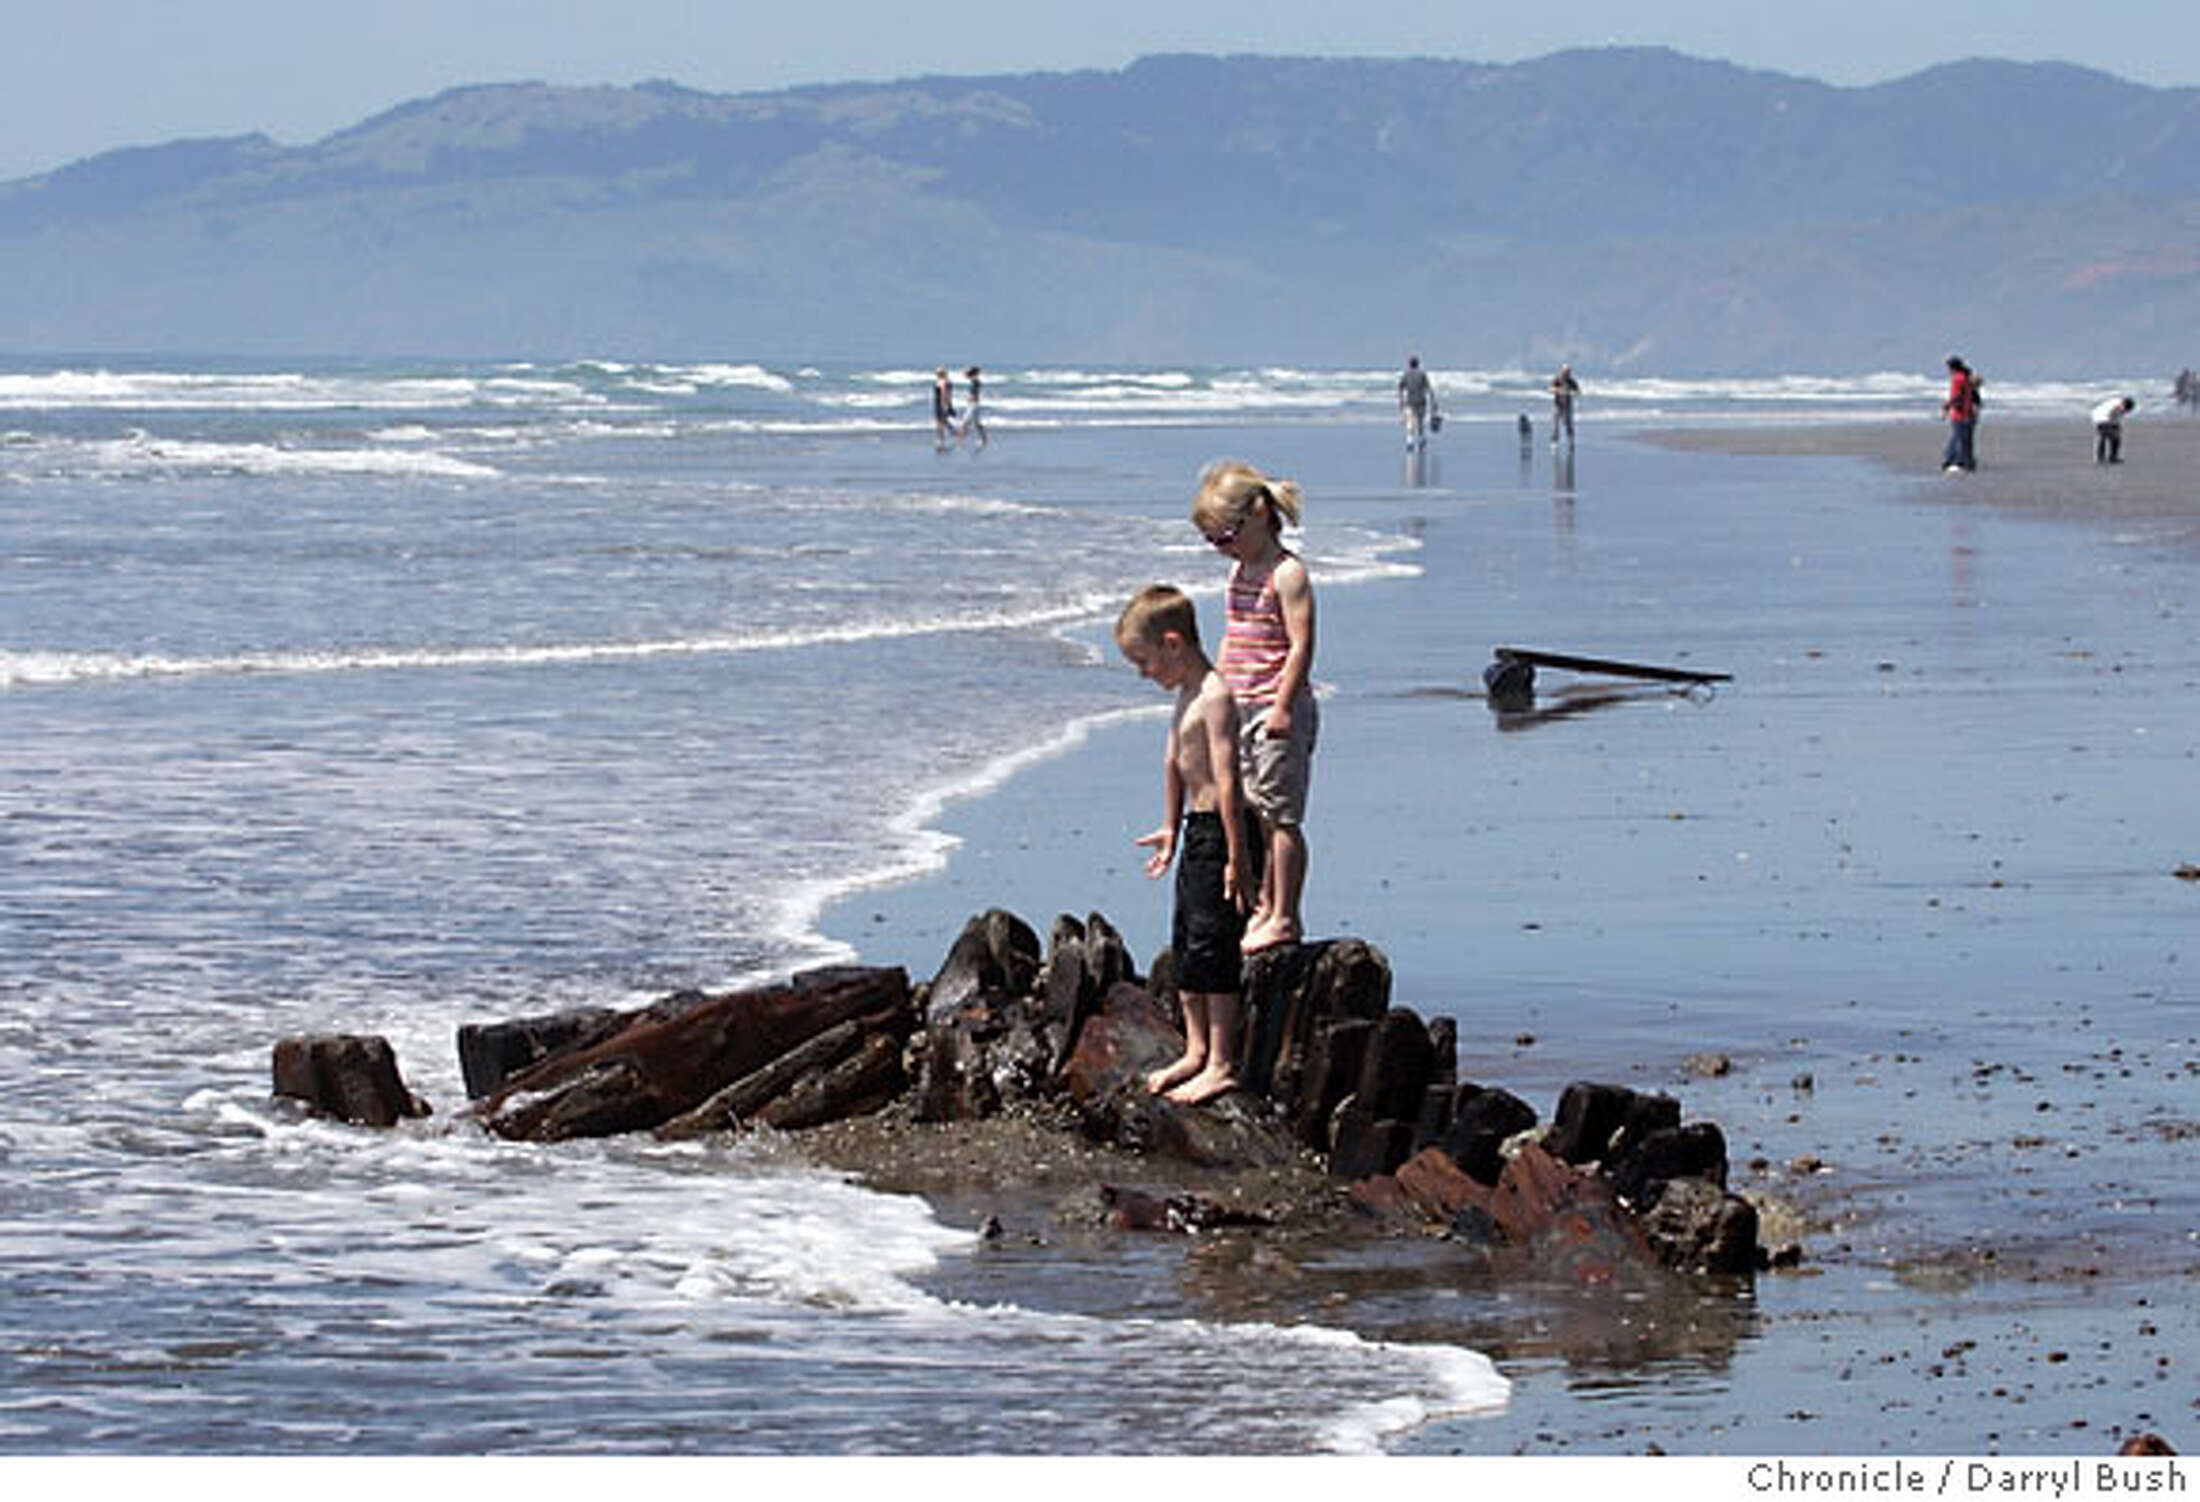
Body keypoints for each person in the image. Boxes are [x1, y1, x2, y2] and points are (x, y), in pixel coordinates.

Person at [1116, 584, 1253, 1105]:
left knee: (1215, 945)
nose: (1144, 674)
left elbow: (1227, 779)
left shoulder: (1215, 698)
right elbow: (1173, 763)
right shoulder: (1185, 696)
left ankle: (1221, 1062)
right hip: (1196, 830)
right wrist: (1171, 826)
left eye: (1145, 661)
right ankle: (1196, 1050)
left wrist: (1239, 857)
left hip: (1222, 831)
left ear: (1174, 644)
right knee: (1188, 942)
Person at [1192, 459, 1316, 955]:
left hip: (1277, 709)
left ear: (1260, 515)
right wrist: (1213, 692)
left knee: (1282, 816)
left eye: (1225, 536)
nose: (1222, 549)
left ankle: (1285, 913)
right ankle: (1266, 902)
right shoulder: (1241, 573)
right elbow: (1233, 638)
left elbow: (1301, 646)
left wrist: (1284, 708)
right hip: (1241, 703)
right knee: (1256, 811)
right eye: (1212, 543)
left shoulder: (1288, 574)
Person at [1941, 356, 1980, 472]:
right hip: (1969, 414)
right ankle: (1967, 462)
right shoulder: (1966, 377)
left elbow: (1956, 396)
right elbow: (1973, 396)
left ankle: (1953, 462)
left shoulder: (1958, 379)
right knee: (1965, 439)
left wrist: (1947, 406)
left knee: (1958, 439)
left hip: (1960, 414)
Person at [1397, 355, 1436, 451]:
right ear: (1418, 364)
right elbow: (1428, 388)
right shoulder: (1422, 374)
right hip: (1421, 401)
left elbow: (1400, 388)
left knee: (1410, 423)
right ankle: (1421, 441)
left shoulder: (1406, 375)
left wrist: (1401, 400)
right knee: (1420, 423)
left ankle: (1410, 441)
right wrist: (1433, 401)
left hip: (1410, 402)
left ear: (1409, 364)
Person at [2092, 394, 2136, 463]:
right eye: (2125, 409)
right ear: (2122, 403)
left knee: (2116, 438)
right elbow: (2107, 417)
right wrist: (2114, 426)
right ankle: (2100, 458)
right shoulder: (2112, 406)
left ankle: (2113, 457)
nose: (2125, 411)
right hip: (2100, 417)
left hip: (2110, 419)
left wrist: (2117, 426)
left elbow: (2118, 417)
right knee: (2103, 436)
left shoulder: (2121, 407)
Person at [1549, 363, 1580, 447]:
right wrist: (1558, 390)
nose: (1567, 373)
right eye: (1565, 371)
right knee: (1555, 423)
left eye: (1568, 371)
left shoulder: (1571, 381)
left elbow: (1578, 391)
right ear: (1562, 371)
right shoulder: (1557, 379)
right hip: (1557, 405)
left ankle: (1570, 440)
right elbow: (1550, 389)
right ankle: (1554, 442)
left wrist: (1571, 392)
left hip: (1568, 405)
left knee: (1568, 423)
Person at [957, 365, 989, 448]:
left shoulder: (975, 382)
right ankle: (984, 439)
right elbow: (966, 375)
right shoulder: (975, 381)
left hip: (973, 405)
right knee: (976, 423)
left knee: (965, 422)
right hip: (975, 404)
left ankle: (960, 441)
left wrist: (970, 398)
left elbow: (974, 395)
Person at [931, 367, 958, 450]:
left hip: (940, 403)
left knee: (939, 422)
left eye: (938, 373)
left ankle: (940, 439)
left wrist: (944, 404)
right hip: (942, 402)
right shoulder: (947, 382)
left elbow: (944, 394)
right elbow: (948, 394)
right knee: (943, 421)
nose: (936, 374)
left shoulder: (942, 382)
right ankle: (953, 432)